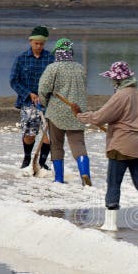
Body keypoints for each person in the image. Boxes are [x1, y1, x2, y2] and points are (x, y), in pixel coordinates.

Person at [70, 61, 138, 233]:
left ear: (117, 81)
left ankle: (110, 223)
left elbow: (100, 117)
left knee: (113, 183)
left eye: (113, 81)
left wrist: (79, 115)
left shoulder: (121, 95)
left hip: (122, 146)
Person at [37, 38, 91, 185]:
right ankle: (85, 175)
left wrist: (43, 103)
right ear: (70, 53)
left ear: (58, 53)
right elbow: (84, 87)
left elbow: (43, 88)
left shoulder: (53, 68)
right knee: (78, 145)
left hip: (56, 113)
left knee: (56, 145)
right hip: (77, 112)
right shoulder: (80, 68)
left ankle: (59, 179)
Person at [10, 25, 54, 172]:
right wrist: (29, 93)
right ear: (30, 42)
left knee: (48, 136)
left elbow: (55, 80)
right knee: (30, 135)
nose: (39, 46)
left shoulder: (50, 59)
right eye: (36, 43)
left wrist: (45, 95)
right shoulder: (21, 59)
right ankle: (27, 158)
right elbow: (14, 81)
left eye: (41, 44)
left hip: (47, 103)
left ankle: (42, 162)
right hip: (27, 102)